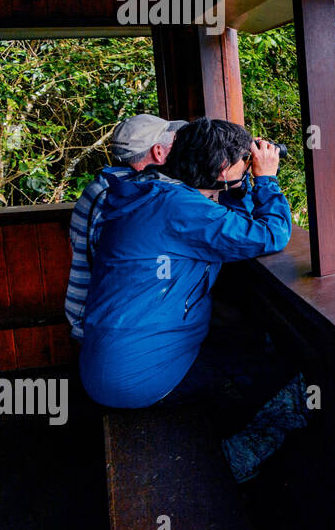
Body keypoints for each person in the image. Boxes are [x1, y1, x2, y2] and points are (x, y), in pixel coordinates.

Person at [80, 118, 302, 480]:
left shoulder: (151, 193)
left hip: (111, 363)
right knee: (275, 370)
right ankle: (232, 463)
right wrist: (266, 180)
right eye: (243, 160)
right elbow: (270, 234)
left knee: (248, 344)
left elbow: (227, 224)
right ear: (220, 169)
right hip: (136, 376)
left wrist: (237, 184)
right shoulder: (178, 207)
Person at [65, 114, 187, 344]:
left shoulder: (100, 188)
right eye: (174, 144)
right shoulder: (138, 196)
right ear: (159, 152)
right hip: (108, 325)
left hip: (88, 315)